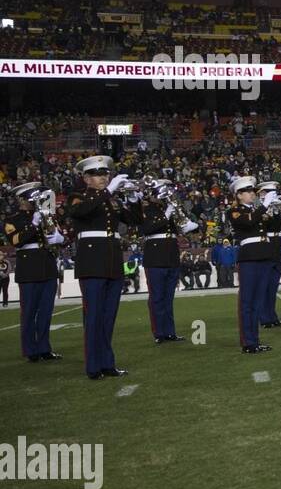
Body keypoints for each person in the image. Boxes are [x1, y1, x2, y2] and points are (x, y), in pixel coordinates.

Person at [65, 155, 142, 379]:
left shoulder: (110, 200)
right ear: (86, 178)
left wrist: (134, 197)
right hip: (92, 260)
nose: (103, 178)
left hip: (111, 260)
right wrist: (108, 192)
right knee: (94, 316)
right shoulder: (77, 197)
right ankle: (93, 366)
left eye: (105, 174)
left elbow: (134, 220)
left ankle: (108, 364)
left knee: (108, 317)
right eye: (97, 174)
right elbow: (80, 212)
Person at [4, 181, 63, 362]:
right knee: (29, 311)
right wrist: (33, 224)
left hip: (47, 264)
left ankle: (44, 348)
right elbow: (16, 241)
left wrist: (58, 237)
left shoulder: (45, 215)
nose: (35, 199)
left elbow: (57, 236)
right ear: (22, 199)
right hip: (28, 267)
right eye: (31, 195)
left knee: (46, 311)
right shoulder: (12, 219)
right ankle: (31, 350)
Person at [138, 180, 198, 344]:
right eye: (162, 190)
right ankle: (159, 333)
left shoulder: (170, 207)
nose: (166, 194)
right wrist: (167, 213)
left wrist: (180, 216)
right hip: (155, 256)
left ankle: (170, 332)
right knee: (157, 297)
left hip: (171, 254)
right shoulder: (146, 209)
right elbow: (146, 229)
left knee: (168, 297)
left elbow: (183, 227)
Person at [227, 176, 273, 354]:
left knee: (258, 301)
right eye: (248, 191)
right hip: (249, 258)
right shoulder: (234, 211)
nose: (252, 193)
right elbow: (248, 222)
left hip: (263, 255)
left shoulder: (256, 211)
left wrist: (277, 211)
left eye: (252, 190)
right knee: (247, 301)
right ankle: (248, 342)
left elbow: (275, 224)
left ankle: (255, 340)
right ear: (238, 195)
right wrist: (264, 206)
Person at [256, 180, 281, 329]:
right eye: (270, 192)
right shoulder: (258, 207)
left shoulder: (275, 206)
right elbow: (261, 224)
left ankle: (272, 316)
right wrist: (268, 208)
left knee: (273, 284)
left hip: (277, 243)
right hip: (265, 243)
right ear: (262, 193)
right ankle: (264, 318)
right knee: (265, 284)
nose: (273, 195)